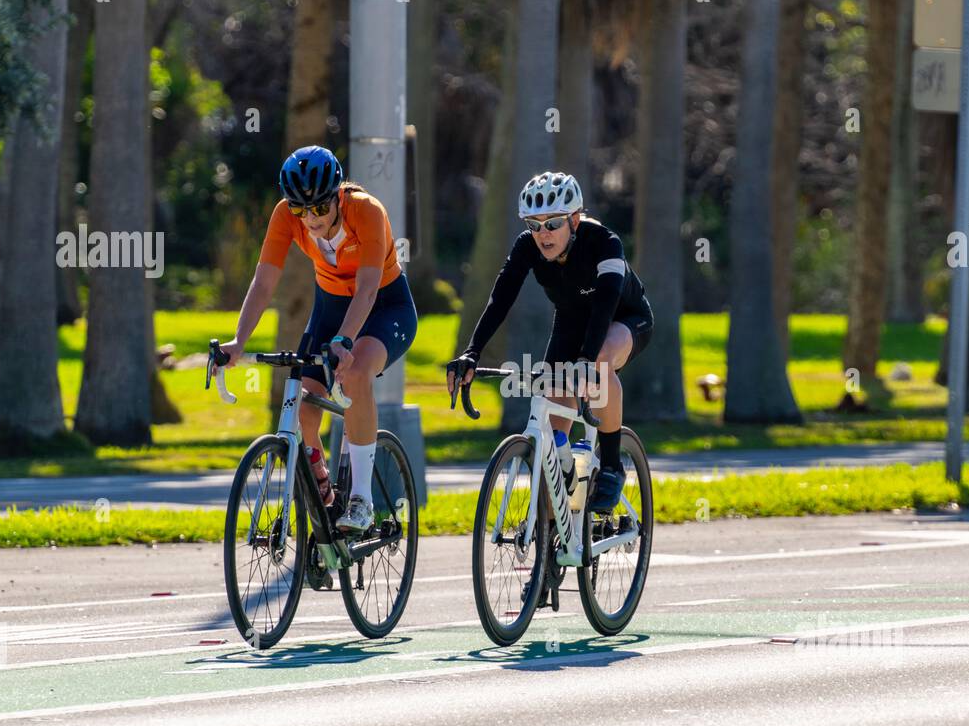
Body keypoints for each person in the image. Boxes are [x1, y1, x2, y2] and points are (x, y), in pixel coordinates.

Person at [215, 145, 418, 532]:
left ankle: (361, 499)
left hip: (384, 308)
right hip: (330, 309)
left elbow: (368, 289)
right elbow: (264, 282)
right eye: (299, 209)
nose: (309, 218)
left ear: (337, 197)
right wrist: (238, 342)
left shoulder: (367, 211)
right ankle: (323, 487)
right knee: (304, 409)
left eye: (319, 208)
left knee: (355, 372)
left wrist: (344, 340)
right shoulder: (284, 215)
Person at [448, 171, 652, 512]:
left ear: (574, 219)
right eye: (534, 224)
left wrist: (586, 359)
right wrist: (472, 351)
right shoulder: (527, 246)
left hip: (623, 318)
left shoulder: (604, 242)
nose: (543, 234)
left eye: (553, 223)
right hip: (571, 323)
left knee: (599, 361)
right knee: (553, 438)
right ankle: (557, 529)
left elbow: (605, 304)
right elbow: (501, 300)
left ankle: (613, 466)